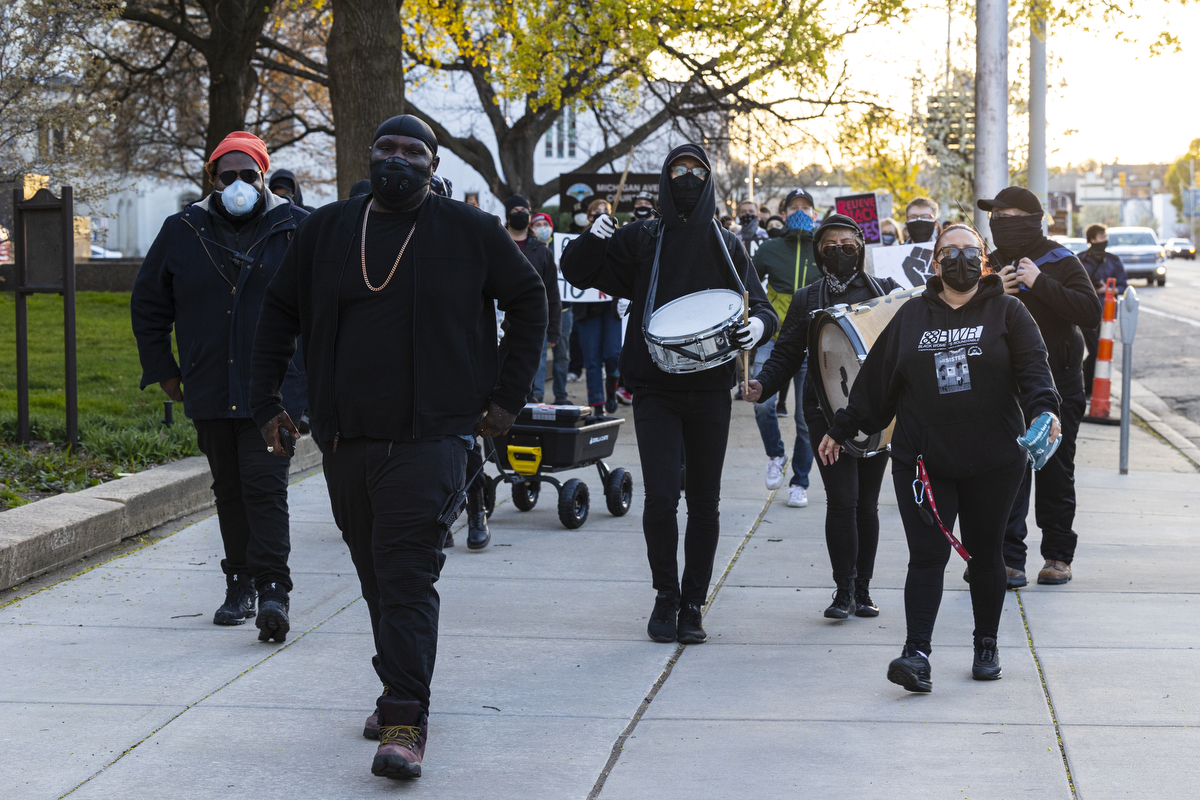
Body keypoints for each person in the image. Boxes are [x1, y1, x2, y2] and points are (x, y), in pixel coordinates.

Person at [249, 114, 547, 780]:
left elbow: (529, 298)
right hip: (345, 434)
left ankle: (406, 720)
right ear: (368, 154)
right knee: (375, 575)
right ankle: (395, 691)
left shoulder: (468, 231)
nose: (398, 159)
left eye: (414, 151)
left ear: (433, 166)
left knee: (408, 574)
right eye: (386, 147)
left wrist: (507, 394)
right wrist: (266, 400)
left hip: (433, 435)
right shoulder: (327, 229)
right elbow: (277, 312)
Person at [817, 223, 1061, 693]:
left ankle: (986, 644)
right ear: (934, 262)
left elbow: (1034, 371)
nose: (959, 259)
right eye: (949, 252)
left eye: (969, 251)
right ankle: (917, 654)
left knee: (986, 554)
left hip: (994, 458)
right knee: (926, 557)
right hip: (923, 461)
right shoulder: (910, 316)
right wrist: (842, 428)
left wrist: (1045, 411)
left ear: (983, 259)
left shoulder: (1009, 312)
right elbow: (876, 387)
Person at [561, 143, 778, 646]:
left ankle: (693, 603)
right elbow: (577, 271)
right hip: (655, 387)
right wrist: (590, 239)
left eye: (696, 171)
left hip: (709, 389)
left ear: (709, 181)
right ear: (664, 178)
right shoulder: (642, 237)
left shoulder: (726, 244)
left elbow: (762, 306)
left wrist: (758, 329)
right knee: (660, 499)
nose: (686, 178)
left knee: (705, 502)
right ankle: (665, 595)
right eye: (677, 170)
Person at [132, 131, 307, 641]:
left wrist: (319, 385)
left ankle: (274, 589)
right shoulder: (182, 229)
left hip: (274, 393)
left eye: (247, 175)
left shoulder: (297, 228)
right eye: (226, 175)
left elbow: (325, 312)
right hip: (209, 385)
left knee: (266, 488)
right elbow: (149, 303)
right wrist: (163, 369)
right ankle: (240, 584)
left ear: (264, 176)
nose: (237, 184)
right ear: (212, 178)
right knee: (229, 490)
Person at [745, 215, 899, 618]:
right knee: (841, 501)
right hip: (822, 413)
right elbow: (786, 353)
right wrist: (763, 382)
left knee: (867, 505)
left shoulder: (885, 293)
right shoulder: (806, 298)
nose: (840, 252)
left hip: (877, 414)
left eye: (848, 245)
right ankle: (842, 590)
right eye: (830, 246)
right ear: (818, 253)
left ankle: (863, 590)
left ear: (861, 249)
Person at [981, 187, 1102, 588]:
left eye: (1008, 216)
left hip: (1059, 382)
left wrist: (1040, 282)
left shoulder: (1060, 258)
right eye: (995, 217)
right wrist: (991, 290)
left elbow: (1089, 310)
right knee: (1008, 471)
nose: (1000, 224)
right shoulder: (991, 262)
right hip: (1005, 385)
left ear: (1032, 219)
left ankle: (1057, 556)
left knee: (1054, 467)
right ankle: (1009, 558)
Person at [750, 188, 819, 506]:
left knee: (808, 419)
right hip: (775, 340)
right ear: (784, 212)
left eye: (806, 207)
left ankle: (800, 482)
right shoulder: (770, 248)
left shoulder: (824, 248)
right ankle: (776, 455)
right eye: (794, 207)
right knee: (761, 402)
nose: (800, 211)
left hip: (811, 343)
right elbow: (748, 284)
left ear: (816, 215)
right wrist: (759, 317)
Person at [502, 195, 562, 403]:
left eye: (524, 210)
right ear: (507, 215)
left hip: (535, 322)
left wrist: (554, 328)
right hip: (500, 322)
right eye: (515, 210)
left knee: (534, 366)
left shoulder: (542, 252)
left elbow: (552, 294)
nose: (520, 214)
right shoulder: (496, 245)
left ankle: (534, 399)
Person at [573, 198, 622, 412]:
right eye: (597, 211)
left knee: (613, 354)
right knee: (592, 360)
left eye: (606, 211)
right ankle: (597, 404)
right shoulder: (578, 240)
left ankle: (612, 388)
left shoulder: (618, 240)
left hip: (611, 307)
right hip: (587, 309)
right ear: (589, 216)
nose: (601, 214)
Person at [1079, 223, 1129, 395]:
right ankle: (1088, 388)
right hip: (1085, 312)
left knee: (1101, 351)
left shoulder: (1113, 260)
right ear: (1092, 240)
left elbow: (1123, 286)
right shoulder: (1079, 260)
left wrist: (1107, 289)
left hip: (1107, 314)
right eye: (1101, 237)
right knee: (1095, 350)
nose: (1105, 240)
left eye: (1106, 237)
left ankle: (1089, 386)